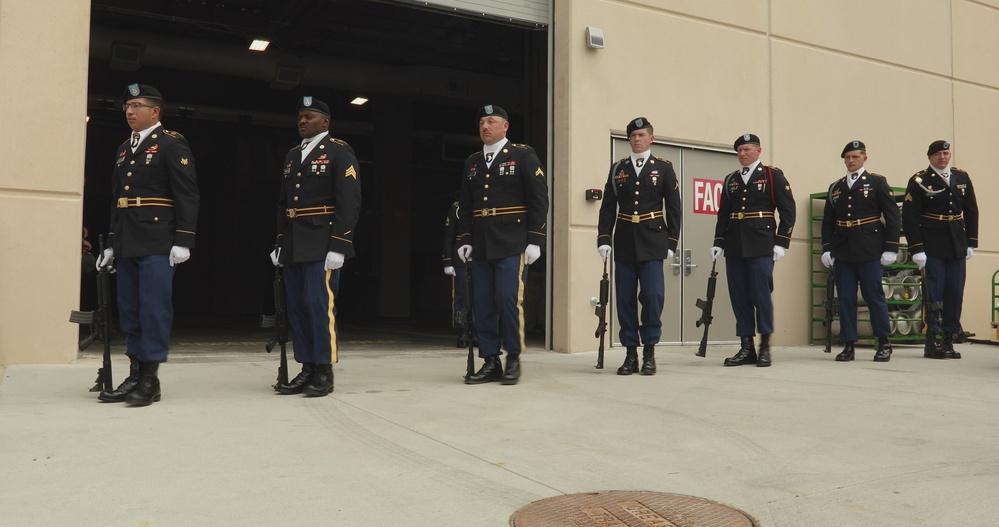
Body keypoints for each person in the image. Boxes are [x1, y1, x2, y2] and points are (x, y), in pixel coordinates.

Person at [94, 83, 200, 406]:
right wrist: (111, 243)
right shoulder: (125, 148)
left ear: (155, 111)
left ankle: (150, 380)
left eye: (137, 105)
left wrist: (184, 239)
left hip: (157, 240)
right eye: (127, 105)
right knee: (130, 311)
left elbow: (187, 194)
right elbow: (118, 200)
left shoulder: (171, 144)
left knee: (153, 310)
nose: (129, 110)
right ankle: (136, 372)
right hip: (127, 241)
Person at [269, 96, 362, 396]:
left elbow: (349, 201)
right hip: (295, 241)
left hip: (322, 242)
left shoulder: (339, 151)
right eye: (300, 116)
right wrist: (281, 242)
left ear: (325, 122)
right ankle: (306, 366)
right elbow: (285, 204)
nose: (303, 121)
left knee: (319, 306)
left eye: (309, 116)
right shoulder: (293, 155)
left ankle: (324, 369)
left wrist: (340, 244)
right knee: (297, 308)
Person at [457, 104, 548, 385]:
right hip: (482, 242)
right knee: (483, 303)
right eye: (482, 122)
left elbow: (539, 199)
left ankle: (514, 358)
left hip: (512, 241)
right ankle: (491, 360)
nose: (486, 126)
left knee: (508, 300)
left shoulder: (522, 154)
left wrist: (536, 239)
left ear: (505, 126)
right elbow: (467, 204)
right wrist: (465, 238)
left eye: (492, 121)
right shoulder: (472, 161)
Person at [596, 117, 681, 375]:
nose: (636, 139)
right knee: (624, 300)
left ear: (651, 138)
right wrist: (603, 238)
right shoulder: (617, 169)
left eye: (641, 135)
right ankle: (630, 353)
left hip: (653, 240)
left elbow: (674, 207)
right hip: (624, 241)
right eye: (632, 135)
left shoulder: (664, 168)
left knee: (653, 298)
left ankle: (649, 353)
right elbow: (608, 207)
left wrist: (672, 242)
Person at [710, 133, 796, 367]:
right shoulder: (731, 180)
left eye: (747, 149)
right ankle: (746, 347)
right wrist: (719, 242)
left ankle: (764, 347)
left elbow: (788, 211)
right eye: (739, 150)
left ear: (758, 151)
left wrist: (782, 242)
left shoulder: (771, 175)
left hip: (761, 244)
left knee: (761, 296)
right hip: (735, 244)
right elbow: (723, 214)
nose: (743, 154)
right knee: (739, 298)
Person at [820, 141, 901, 362]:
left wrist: (891, 247)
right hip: (843, 250)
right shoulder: (835, 187)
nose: (851, 161)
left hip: (870, 248)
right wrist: (827, 248)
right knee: (845, 298)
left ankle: (883, 342)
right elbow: (828, 222)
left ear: (865, 158)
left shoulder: (876, 182)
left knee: (873, 296)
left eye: (855, 156)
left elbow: (893, 216)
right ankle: (848, 344)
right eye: (847, 157)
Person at [902, 140, 978, 359]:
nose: (942, 158)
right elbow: (910, 216)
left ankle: (949, 338)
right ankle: (933, 340)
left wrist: (971, 242)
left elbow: (971, 209)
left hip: (956, 242)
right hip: (932, 243)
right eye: (937, 154)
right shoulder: (919, 180)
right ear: (930, 158)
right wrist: (916, 248)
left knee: (954, 292)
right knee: (934, 293)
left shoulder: (961, 177)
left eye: (945, 153)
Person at [442, 198, 472, 347]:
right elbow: (449, 236)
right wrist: (448, 261)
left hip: (482, 256)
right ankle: (462, 331)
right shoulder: (457, 207)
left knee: (481, 297)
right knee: (461, 296)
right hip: (461, 259)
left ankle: (479, 331)